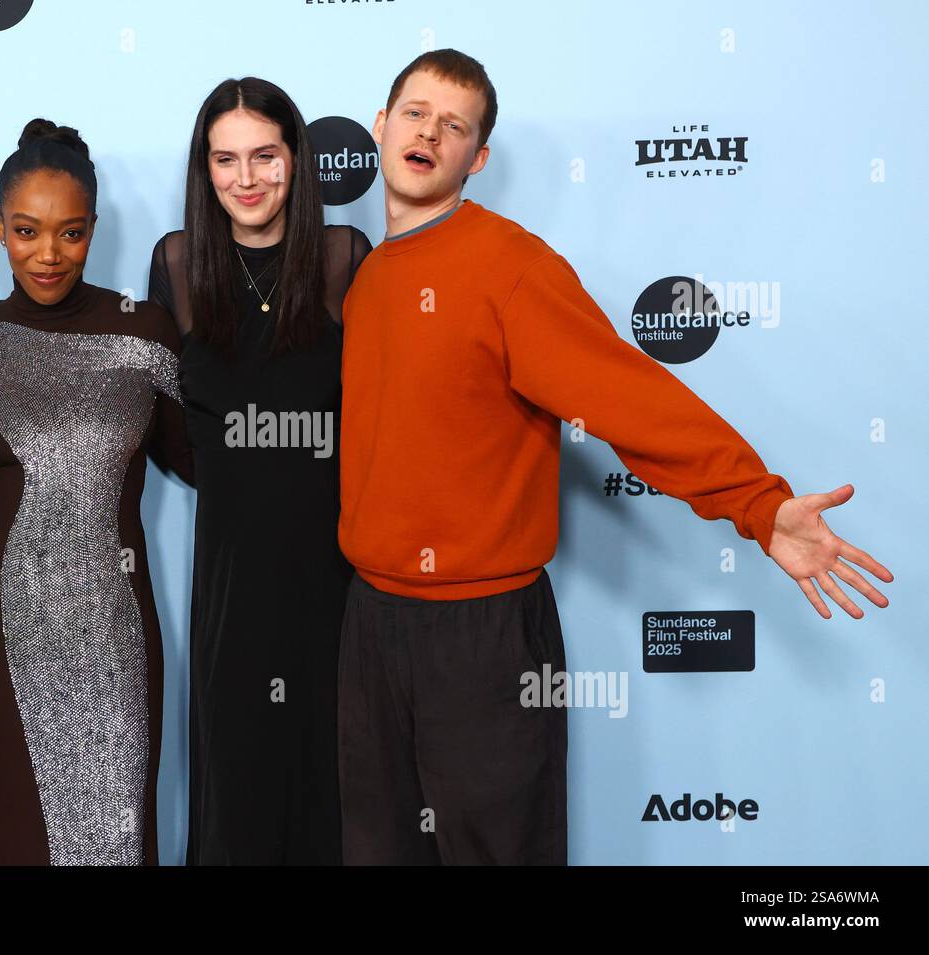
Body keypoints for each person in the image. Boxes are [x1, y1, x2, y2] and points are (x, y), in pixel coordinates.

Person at [336, 49, 895, 865]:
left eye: (454, 126)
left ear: (477, 158)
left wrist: (760, 505)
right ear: (381, 127)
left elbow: (636, 402)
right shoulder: (367, 277)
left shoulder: (513, 269)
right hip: (372, 625)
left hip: (484, 637)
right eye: (416, 113)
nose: (429, 133)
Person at [0, 119, 193, 866]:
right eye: (26, 231)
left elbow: (201, 459)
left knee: (114, 829)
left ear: (93, 230)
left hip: (113, 629)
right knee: (10, 827)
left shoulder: (145, 333)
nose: (48, 255)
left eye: (70, 233)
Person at [148, 77, 370, 865]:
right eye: (225, 159)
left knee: (331, 784)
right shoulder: (177, 266)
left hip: (333, 576)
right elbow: (167, 429)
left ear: (296, 159)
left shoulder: (345, 258)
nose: (246, 179)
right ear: (204, 170)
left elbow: (373, 415)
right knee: (235, 787)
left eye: (265, 156)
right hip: (232, 578)